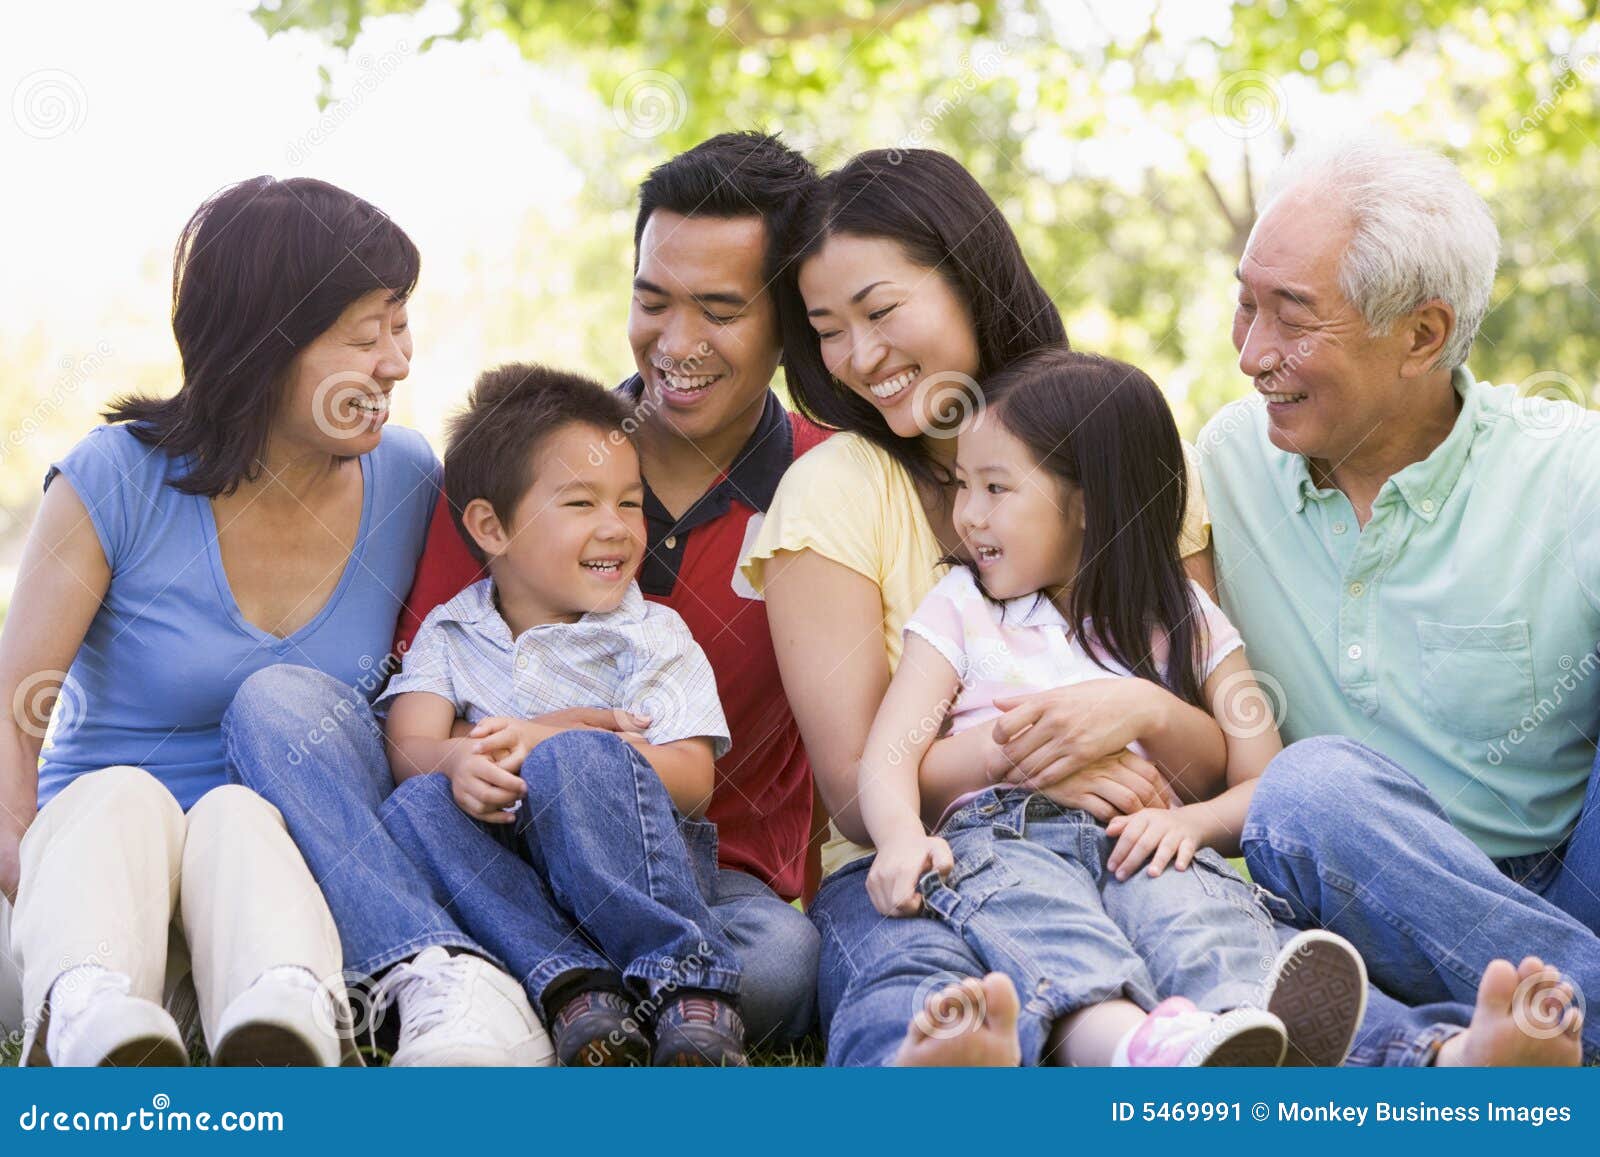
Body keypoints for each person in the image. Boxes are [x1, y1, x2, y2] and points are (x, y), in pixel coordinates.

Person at [741, 149, 1225, 1066]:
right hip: (920, 862)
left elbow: (1210, 766)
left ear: (970, 275)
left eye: (881, 310)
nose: (859, 356)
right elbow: (853, 796)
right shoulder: (833, 490)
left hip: (1134, 848)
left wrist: (1145, 713)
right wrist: (1034, 760)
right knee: (917, 983)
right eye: (827, 329)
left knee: (1221, 959)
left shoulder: (1131, 450)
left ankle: (1432, 1063)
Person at [0, 177, 453, 1066]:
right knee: (121, 798)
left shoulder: (409, 479)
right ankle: (93, 1015)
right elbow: (13, 716)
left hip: (275, 888)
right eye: (367, 337)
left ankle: (277, 1016)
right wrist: (26, 877)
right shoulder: (115, 480)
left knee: (243, 817)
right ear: (262, 347)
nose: (397, 361)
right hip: (100, 876)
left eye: (400, 326)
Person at [393, 132, 825, 1046]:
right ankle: (576, 989)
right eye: (652, 300)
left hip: (708, 881)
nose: (677, 342)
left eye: (719, 309)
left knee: (782, 963)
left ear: (790, 318)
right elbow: (425, 717)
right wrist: (569, 733)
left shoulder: (832, 486)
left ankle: (567, 996)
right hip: (502, 847)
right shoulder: (514, 464)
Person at [855, 347, 1367, 1066]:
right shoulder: (961, 608)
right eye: (962, 486)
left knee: (1198, 915)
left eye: (996, 488)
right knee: (1056, 936)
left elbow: (1266, 780)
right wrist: (904, 837)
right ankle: (1136, 1048)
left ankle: (1246, 1028)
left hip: (1141, 839)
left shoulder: (1185, 617)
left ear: (1092, 502)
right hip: (1006, 838)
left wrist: (1186, 823)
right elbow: (888, 755)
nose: (968, 515)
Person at [1198, 135, 1592, 1066]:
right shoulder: (1222, 464)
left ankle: (1525, 1027)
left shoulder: (1571, 469)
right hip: (1350, 889)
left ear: (1422, 334)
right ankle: (1538, 1029)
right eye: (1245, 304)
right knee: (1306, 789)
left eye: (1292, 317)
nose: (1252, 354)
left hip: (1560, 883)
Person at [376, 363, 748, 1066]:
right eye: (581, 504)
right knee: (412, 807)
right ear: (491, 526)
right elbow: (409, 744)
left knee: (574, 759)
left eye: (630, 504)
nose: (617, 529)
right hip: (511, 876)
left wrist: (553, 740)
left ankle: (688, 984)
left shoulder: (650, 634)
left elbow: (694, 777)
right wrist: (456, 759)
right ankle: (579, 988)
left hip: (639, 871)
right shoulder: (453, 633)